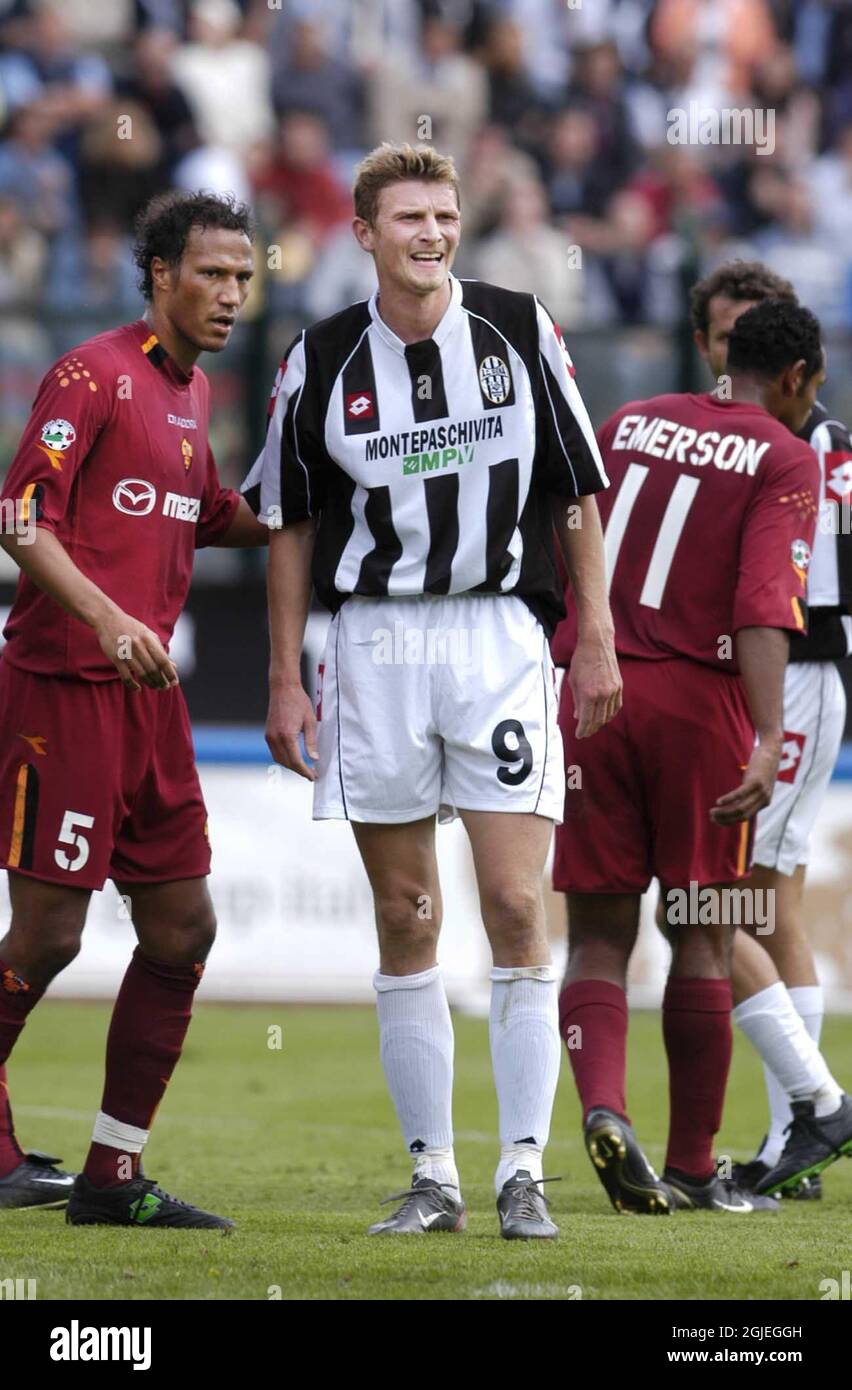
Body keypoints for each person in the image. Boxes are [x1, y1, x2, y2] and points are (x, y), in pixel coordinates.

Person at [243, 141, 621, 1239]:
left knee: (513, 904)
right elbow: (289, 524)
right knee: (407, 915)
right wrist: (282, 677)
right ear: (363, 233)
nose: (432, 234)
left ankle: (522, 1172)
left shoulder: (515, 325)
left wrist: (593, 631)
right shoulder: (317, 358)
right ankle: (434, 1178)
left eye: (445, 215)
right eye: (409, 216)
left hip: (498, 631)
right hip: (372, 644)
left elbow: (574, 491)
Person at [0, 191, 267, 1228]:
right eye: (212, 273)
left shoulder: (195, 397)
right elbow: (21, 515)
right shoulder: (92, 373)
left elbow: (210, 517)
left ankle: (113, 1175)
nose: (231, 294)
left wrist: (320, 506)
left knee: (183, 924)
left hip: (148, 703)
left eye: (243, 277)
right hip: (64, 688)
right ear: (160, 273)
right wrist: (111, 619)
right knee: (50, 935)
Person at [551, 298, 825, 1215]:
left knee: (596, 931)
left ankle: (603, 1108)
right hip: (697, 708)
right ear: (794, 380)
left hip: (594, 690)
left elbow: (567, 518)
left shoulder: (632, 420)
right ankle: (695, 1168)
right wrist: (770, 730)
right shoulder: (788, 457)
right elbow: (761, 605)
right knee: (705, 926)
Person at [684, 261, 852, 1199]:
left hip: (796, 674)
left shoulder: (820, 450)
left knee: (746, 899)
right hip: (750, 681)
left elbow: (798, 595)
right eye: (725, 332)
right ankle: (798, 1122)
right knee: (735, 899)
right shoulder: (720, 435)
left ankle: (805, 1120)